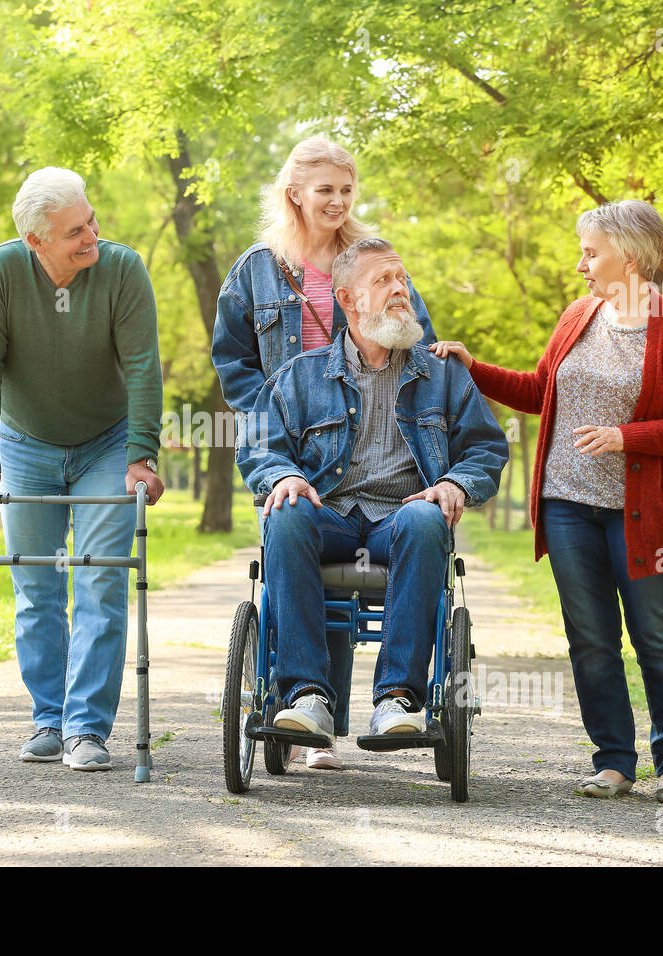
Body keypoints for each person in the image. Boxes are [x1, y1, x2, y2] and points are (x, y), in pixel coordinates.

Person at [432, 199, 663, 803]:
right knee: (590, 638)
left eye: (591, 252)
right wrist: (474, 368)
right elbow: (542, 391)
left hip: (644, 515)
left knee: (656, 635)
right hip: (566, 503)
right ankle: (613, 761)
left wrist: (626, 437)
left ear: (631, 255)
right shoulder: (577, 315)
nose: (580, 264)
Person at [211, 135, 438, 769]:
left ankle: (329, 714)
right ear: (295, 195)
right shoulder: (257, 268)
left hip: (365, 444)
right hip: (291, 439)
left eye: (346, 190)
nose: (338, 201)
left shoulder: (371, 261)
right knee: (297, 542)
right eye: (325, 191)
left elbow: (416, 338)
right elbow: (231, 356)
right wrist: (279, 414)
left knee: (359, 541)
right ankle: (308, 703)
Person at [240, 237, 507, 749]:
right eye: (382, 281)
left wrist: (454, 483)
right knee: (287, 512)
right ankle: (306, 696)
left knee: (428, 520)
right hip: (330, 515)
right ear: (347, 300)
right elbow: (258, 447)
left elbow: (486, 449)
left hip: (402, 519)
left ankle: (397, 700)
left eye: (401, 279)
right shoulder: (302, 376)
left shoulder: (443, 375)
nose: (398, 290)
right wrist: (282, 477)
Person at [0, 167, 164, 772]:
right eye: (76, 230)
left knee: (100, 576)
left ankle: (86, 729)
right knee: (36, 586)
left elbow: (143, 365)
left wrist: (141, 454)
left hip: (107, 442)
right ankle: (48, 718)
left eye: (92, 220)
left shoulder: (122, 270)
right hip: (24, 443)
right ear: (36, 241)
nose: (91, 236)